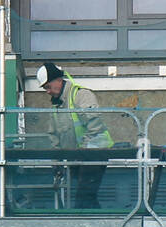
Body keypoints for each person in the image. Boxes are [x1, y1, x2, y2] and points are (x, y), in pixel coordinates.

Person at [37, 63, 112, 210]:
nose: (47, 91)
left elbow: (94, 127)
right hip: (78, 158)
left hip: (95, 153)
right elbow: (54, 136)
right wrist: (56, 161)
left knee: (84, 197)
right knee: (85, 197)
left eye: (48, 86)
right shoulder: (57, 106)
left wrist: (81, 152)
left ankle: (91, 226)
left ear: (58, 80)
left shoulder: (81, 95)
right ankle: (98, 224)